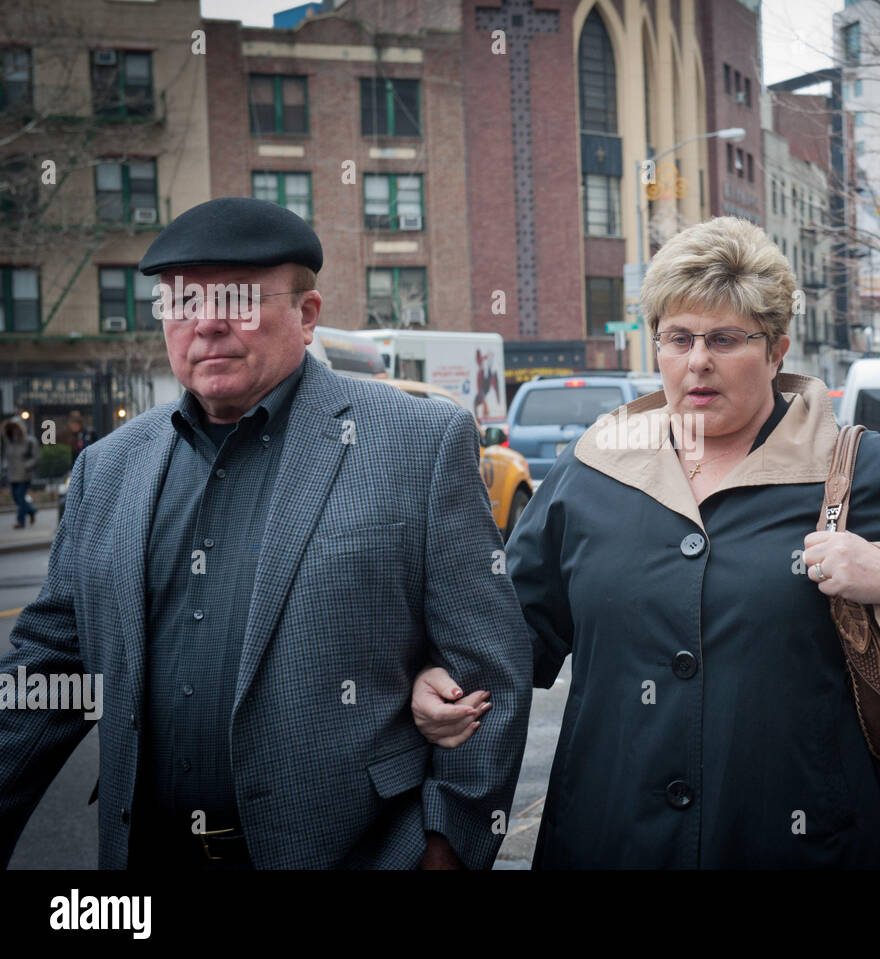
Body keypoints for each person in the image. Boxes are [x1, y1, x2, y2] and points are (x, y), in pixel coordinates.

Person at [411, 216, 880, 868]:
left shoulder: (854, 468)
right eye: (679, 337)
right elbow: (512, 628)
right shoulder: (592, 470)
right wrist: (443, 676)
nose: (698, 359)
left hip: (806, 840)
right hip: (612, 834)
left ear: (777, 350)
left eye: (725, 338)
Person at [0, 197, 532, 870]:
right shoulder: (107, 469)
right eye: (184, 303)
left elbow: (490, 666)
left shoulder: (415, 442)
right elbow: (46, 668)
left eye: (241, 300)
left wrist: (445, 849)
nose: (209, 325)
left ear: (307, 315)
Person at [2, 418, 40, 529]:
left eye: (16, 428)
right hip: (12, 475)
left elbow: (36, 458)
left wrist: (26, 466)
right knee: (16, 498)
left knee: (20, 496)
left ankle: (21, 521)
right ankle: (32, 511)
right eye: (12, 429)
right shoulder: (9, 442)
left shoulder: (29, 441)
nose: (14, 431)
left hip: (24, 475)